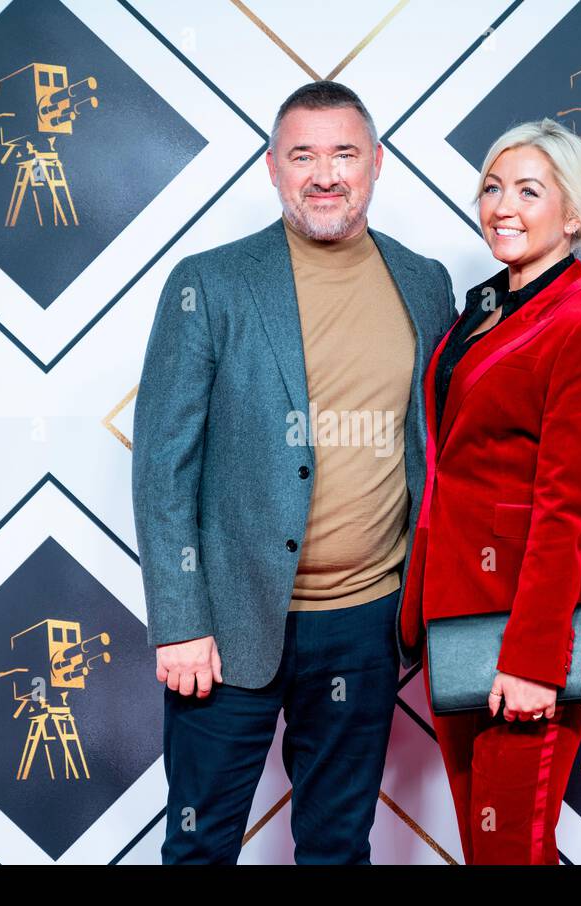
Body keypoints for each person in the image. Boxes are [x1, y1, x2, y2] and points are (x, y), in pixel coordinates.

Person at [132, 80, 458, 864]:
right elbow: (162, 463)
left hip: (367, 624)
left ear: (376, 165)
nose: (324, 174)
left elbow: (439, 449)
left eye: (344, 153)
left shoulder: (425, 283)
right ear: (272, 168)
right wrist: (180, 621)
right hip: (230, 626)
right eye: (302, 155)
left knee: (338, 844)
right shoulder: (209, 283)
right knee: (200, 844)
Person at [398, 118, 581, 865]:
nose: (502, 205)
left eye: (529, 191)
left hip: (532, 635)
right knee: (486, 846)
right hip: (458, 619)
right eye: (493, 188)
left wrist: (535, 661)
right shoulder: (481, 316)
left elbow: (567, 506)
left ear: (571, 216)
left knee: (513, 851)